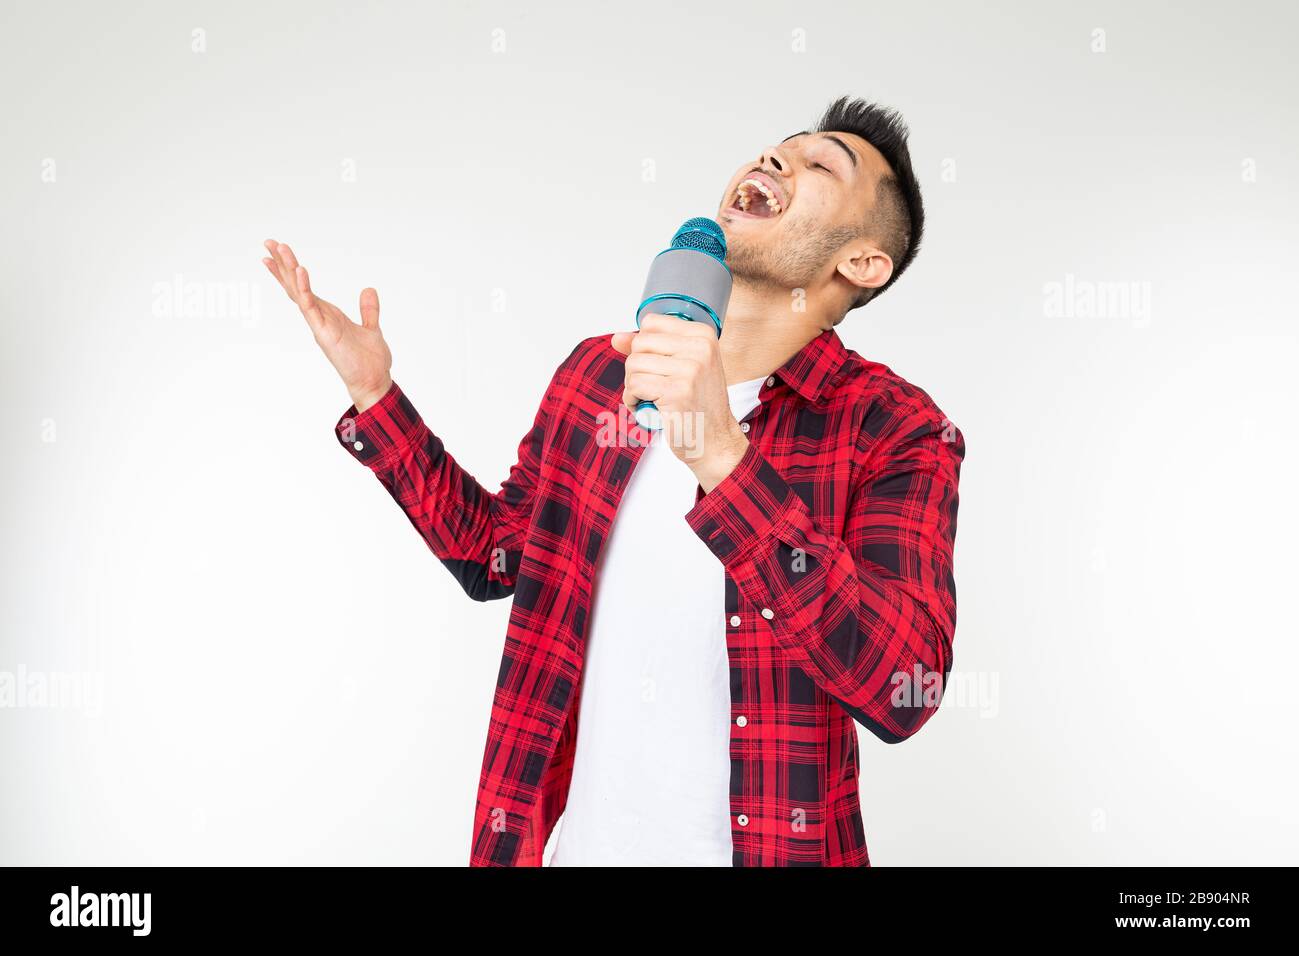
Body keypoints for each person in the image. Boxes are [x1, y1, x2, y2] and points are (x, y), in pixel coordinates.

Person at [262, 96, 964, 867]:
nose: (774, 158)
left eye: (821, 162)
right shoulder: (602, 373)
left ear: (860, 263)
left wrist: (724, 461)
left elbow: (907, 686)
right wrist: (377, 399)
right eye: (776, 148)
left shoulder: (898, 429)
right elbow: (495, 557)